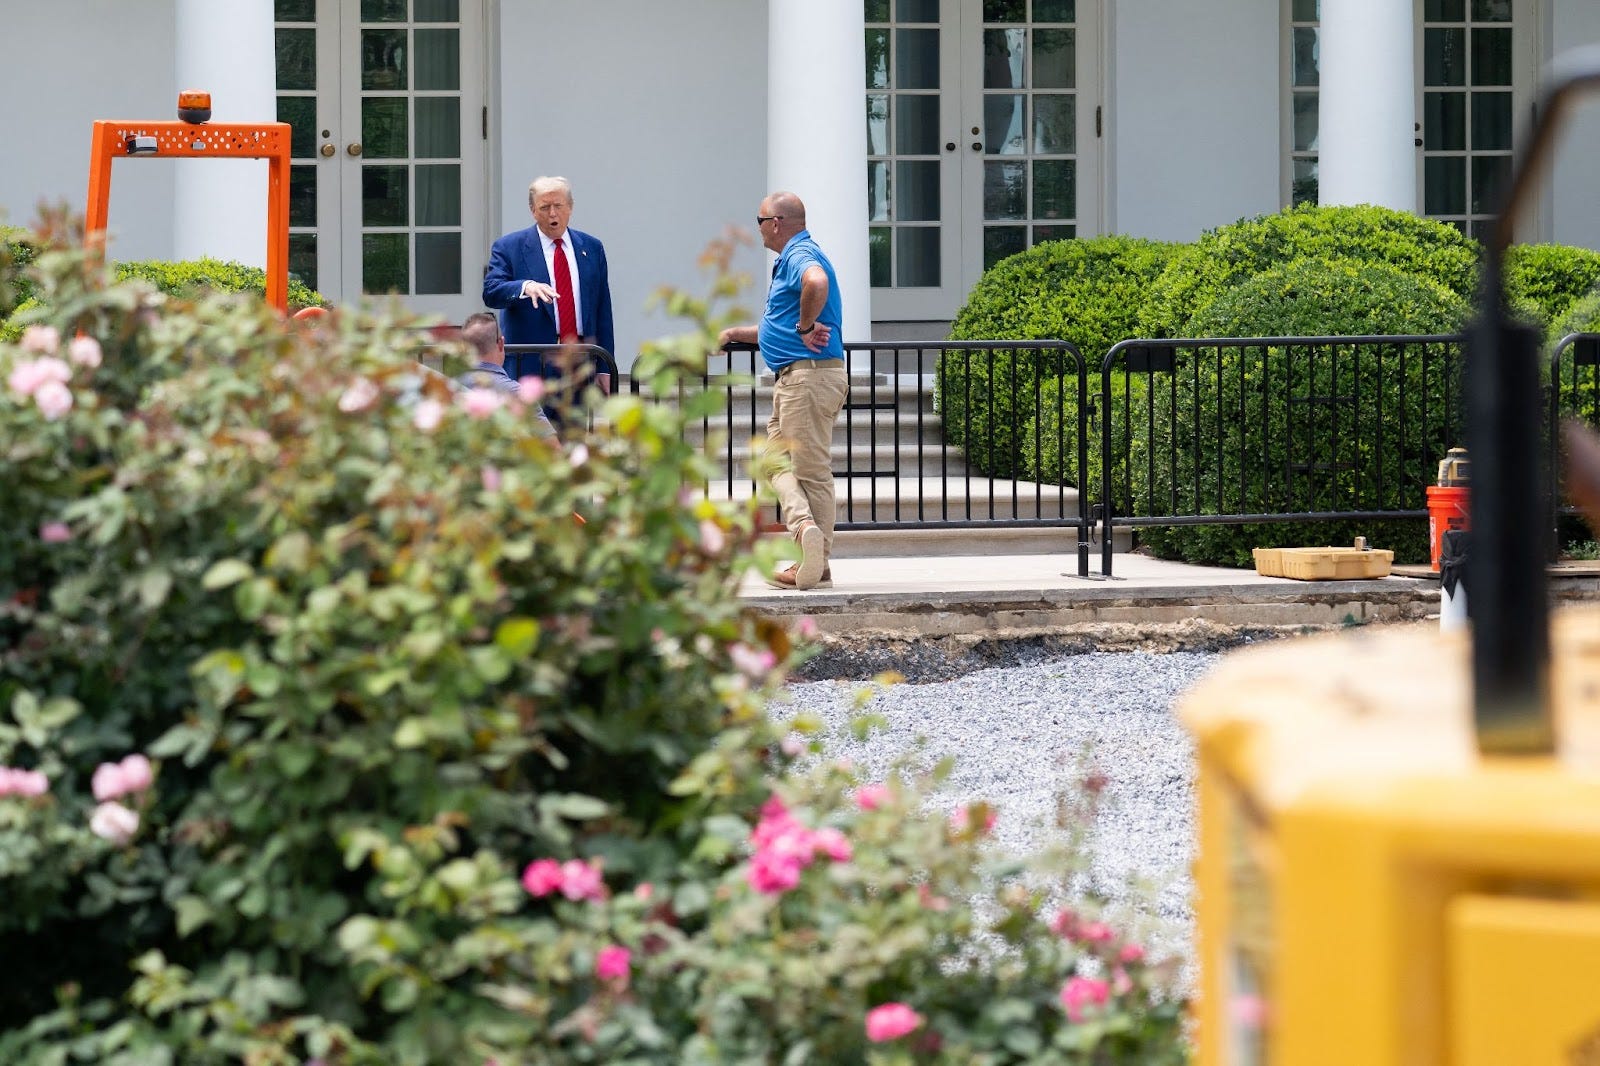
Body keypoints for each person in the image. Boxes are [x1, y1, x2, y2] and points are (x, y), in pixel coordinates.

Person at [718, 191, 848, 591]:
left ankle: (810, 547)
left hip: (807, 380)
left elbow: (817, 282)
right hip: (798, 379)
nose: (757, 228)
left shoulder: (799, 256)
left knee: (809, 472)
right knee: (772, 460)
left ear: (775, 222)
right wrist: (734, 334)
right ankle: (811, 545)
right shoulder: (792, 257)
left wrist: (808, 327)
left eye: (759, 220)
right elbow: (779, 327)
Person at [481, 176, 615, 419]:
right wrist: (524, 287)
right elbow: (491, 292)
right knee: (532, 443)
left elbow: (602, 310)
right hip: (531, 366)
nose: (552, 213)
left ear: (570, 207)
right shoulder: (510, 247)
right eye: (544, 207)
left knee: (572, 441)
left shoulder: (592, 248)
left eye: (559, 206)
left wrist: (604, 368)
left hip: (577, 364)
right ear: (533, 211)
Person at [457, 311, 557, 440]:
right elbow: (552, 447)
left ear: (463, 348)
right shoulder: (518, 394)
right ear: (501, 344)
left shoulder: (447, 389)